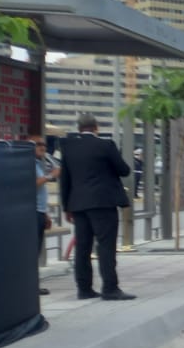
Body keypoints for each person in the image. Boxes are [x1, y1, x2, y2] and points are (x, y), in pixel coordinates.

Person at [57, 113, 135, 301]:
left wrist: (67, 207)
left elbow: (64, 180)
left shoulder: (69, 148)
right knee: (105, 246)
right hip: (102, 202)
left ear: (79, 128)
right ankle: (110, 288)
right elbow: (124, 170)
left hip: (78, 204)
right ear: (96, 127)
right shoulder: (105, 145)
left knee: (82, 246)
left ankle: (84, 289)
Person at [31, 136, 60, 296]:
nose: (43, 147)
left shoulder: (38, 164)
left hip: (40, 212)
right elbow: (33, 183)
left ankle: (34, 284)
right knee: (32, 250)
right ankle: (30, 285)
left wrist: (46, 213)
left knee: (36, 251)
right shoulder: (29, 164)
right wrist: (51, 176)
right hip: (33, 213)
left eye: (44, 144)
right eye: (39, 144)